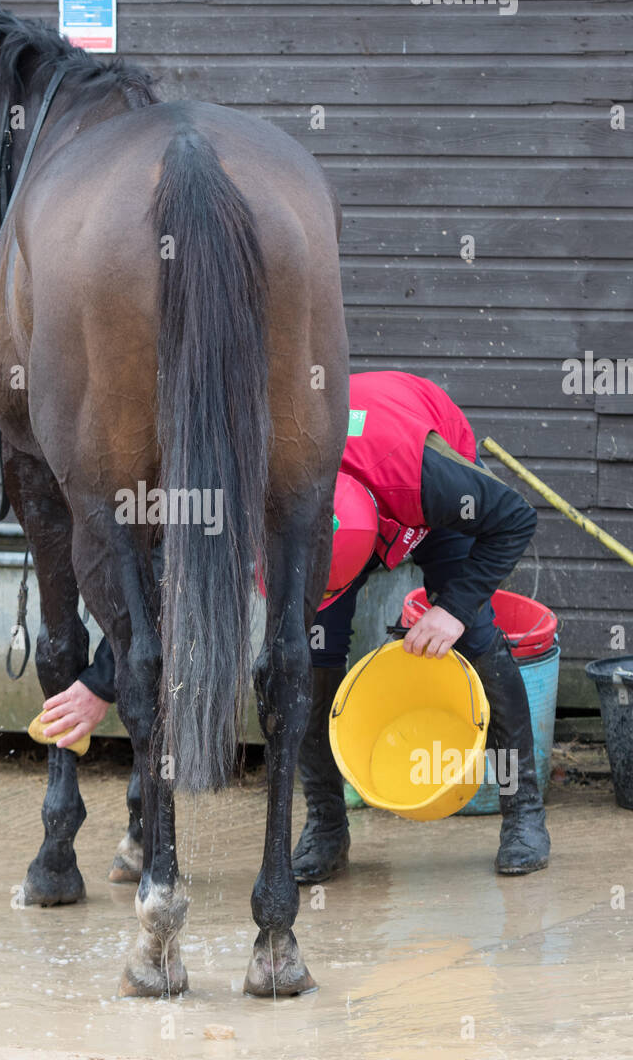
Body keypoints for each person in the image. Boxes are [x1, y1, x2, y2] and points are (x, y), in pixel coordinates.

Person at [37, 370, 551, 878]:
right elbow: (183, 583)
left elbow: (515, 518)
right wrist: (101, 683)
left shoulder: (428, 476)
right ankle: (327, 825)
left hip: (415, 480)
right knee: (306, 660)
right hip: (323, 520)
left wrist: (454, 609)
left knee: (478, 636)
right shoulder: (250, 491)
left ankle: (524, 812)